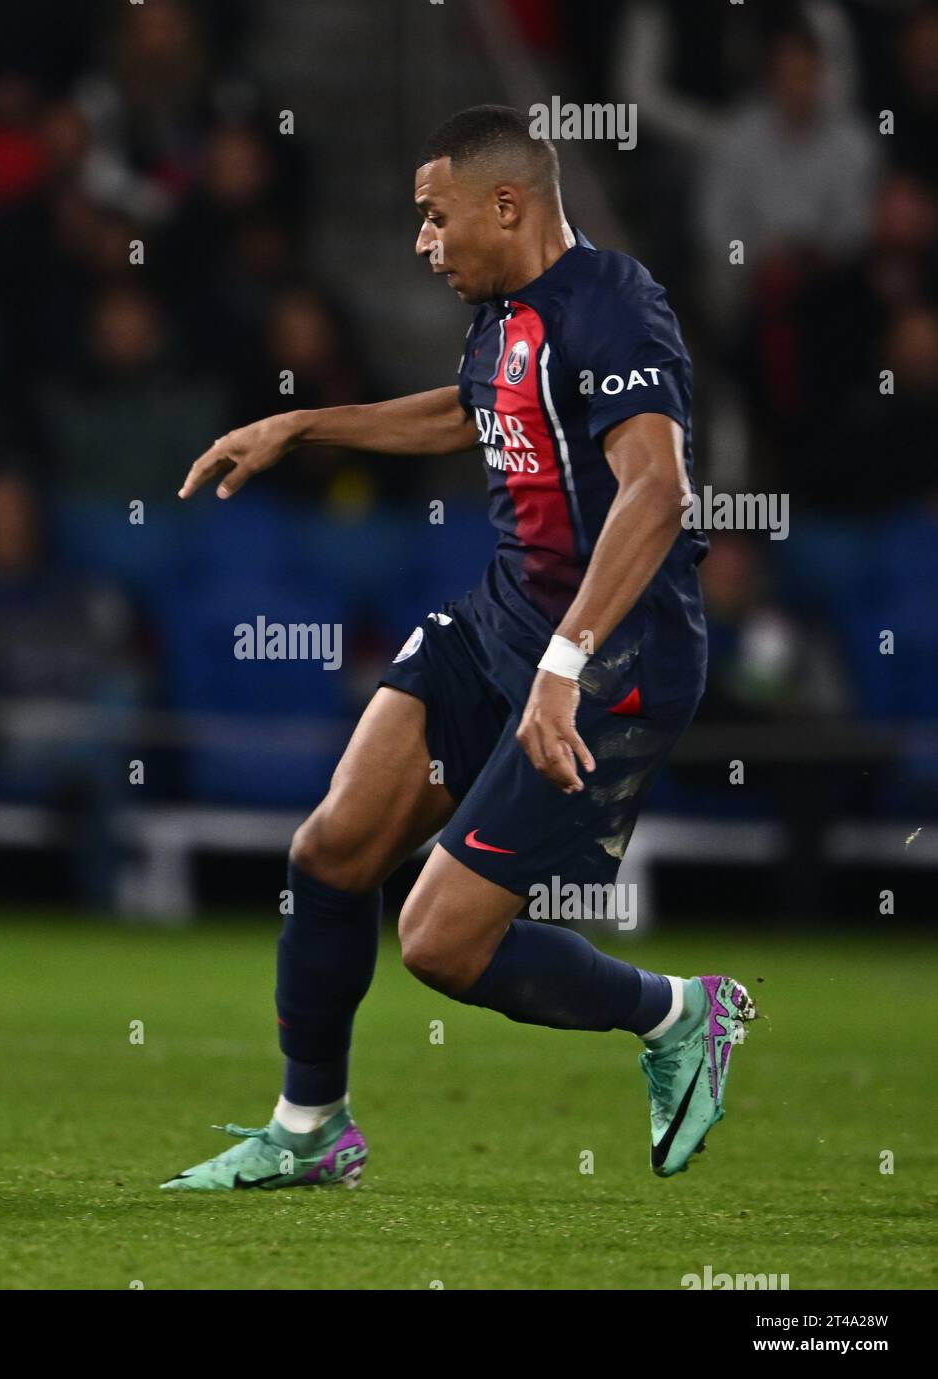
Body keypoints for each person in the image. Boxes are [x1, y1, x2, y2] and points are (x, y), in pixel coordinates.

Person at [163, 106, 756, 1191]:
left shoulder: (613, 303)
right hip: (501, 625)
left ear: (506, 203)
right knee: (332, 848)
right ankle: (309, 1130)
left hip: (615, 663)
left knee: (437, 940)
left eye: (434, 219)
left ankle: (681, 1012)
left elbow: (658, 490)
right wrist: (301, 425)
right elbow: (469, 413)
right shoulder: (500, 315)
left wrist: (564, 668)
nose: (421, 243)